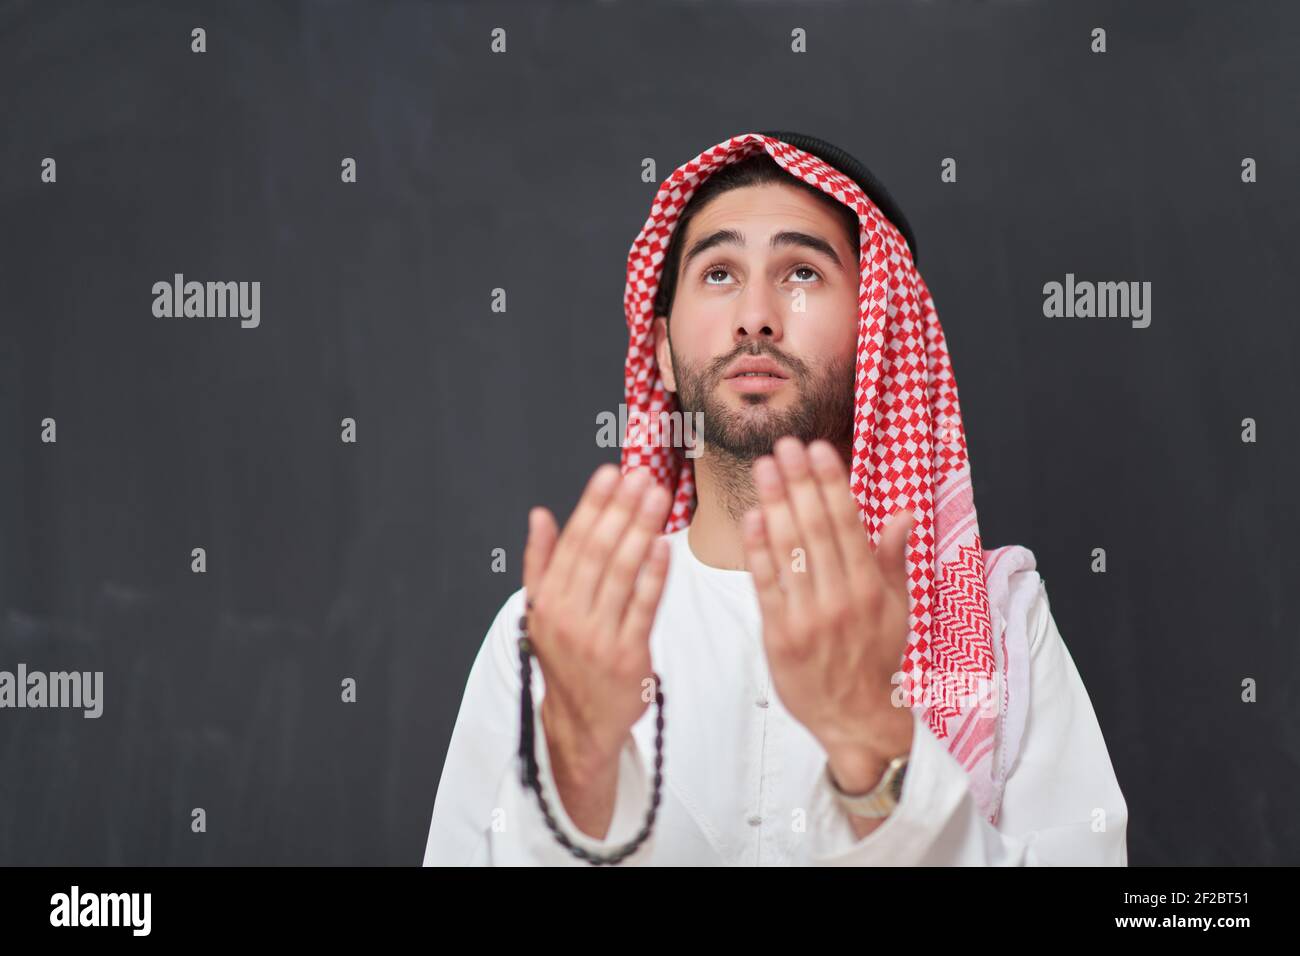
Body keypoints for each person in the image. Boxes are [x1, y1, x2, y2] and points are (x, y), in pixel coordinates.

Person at [422, 131, 1129, 865]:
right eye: (720, 273)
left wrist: (876, 750)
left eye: (802, 274)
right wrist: (580, 779)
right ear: (660, 349)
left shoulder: (995, 624)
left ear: (875, 333)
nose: (756, 314)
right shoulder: (555, 634)